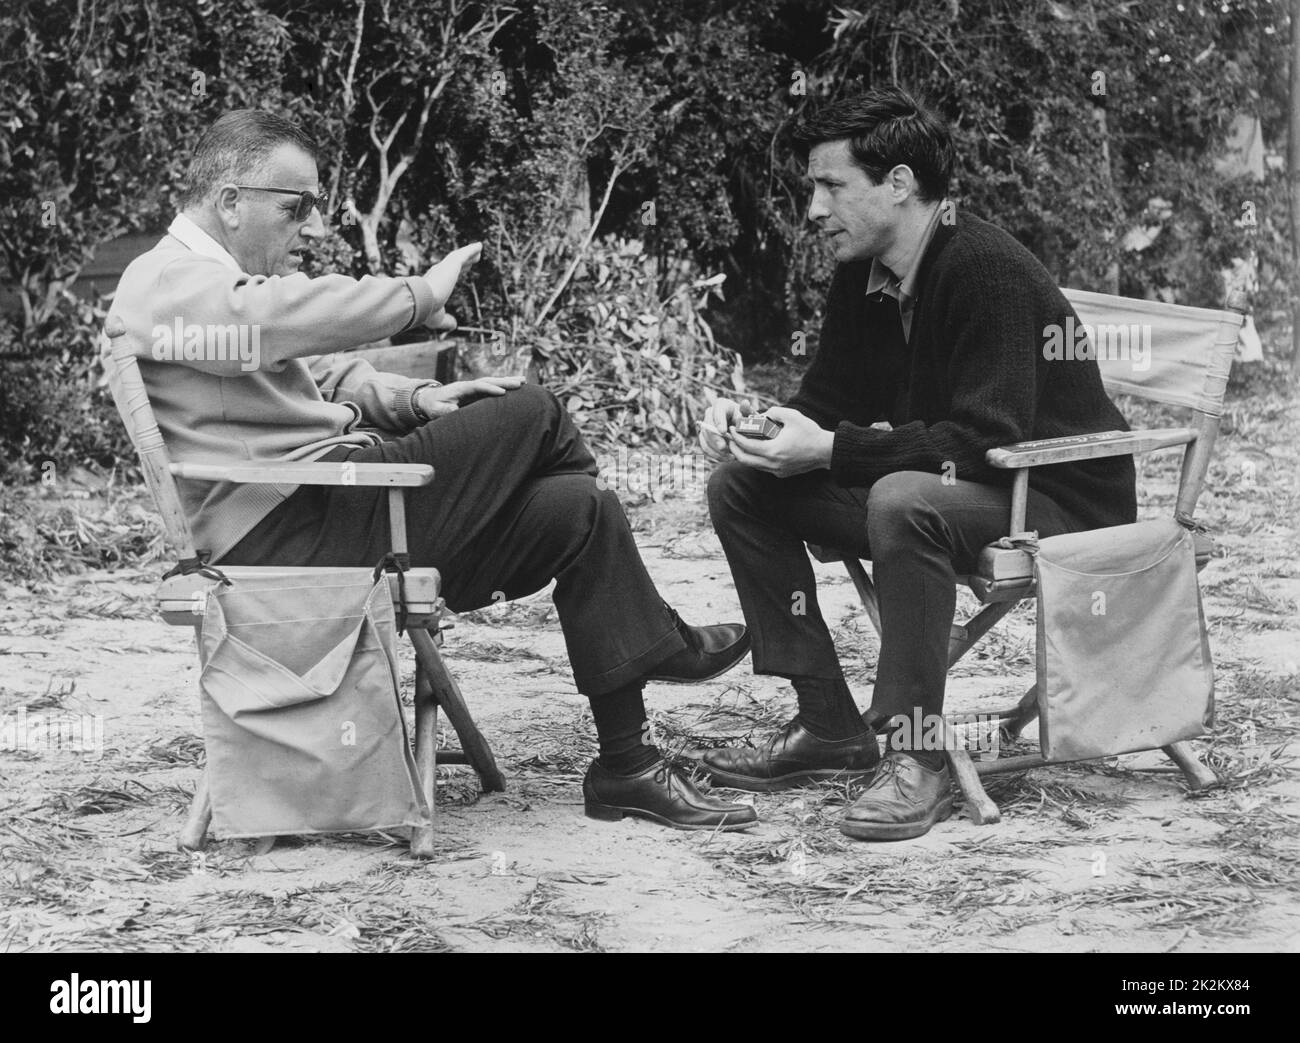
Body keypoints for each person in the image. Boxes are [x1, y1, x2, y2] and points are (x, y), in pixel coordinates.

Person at [105, 109, 757, 832]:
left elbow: (314, 369)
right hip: (293, 534)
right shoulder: (165, 282)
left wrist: (418, 397)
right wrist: (420, 293)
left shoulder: (209, 289)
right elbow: (274, 322)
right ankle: (651, 636)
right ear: (230, 201)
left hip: (335, 512)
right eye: (295, 209)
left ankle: (627, 768)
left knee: (580, 508)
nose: (308, 228)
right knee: (535, 410)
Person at [696, 86, 1136, 841]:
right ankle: (830, 724)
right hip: (964, 489)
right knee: (743, 486)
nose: (812, 209)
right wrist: (764, 427)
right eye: (813, 187)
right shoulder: (861, 270)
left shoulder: (985, 268)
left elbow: (981, 439)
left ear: (898, 184)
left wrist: (832, 449)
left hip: (1054, 496)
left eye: (831, 185)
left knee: (903, 498)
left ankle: (917, 755)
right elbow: (828, 400)